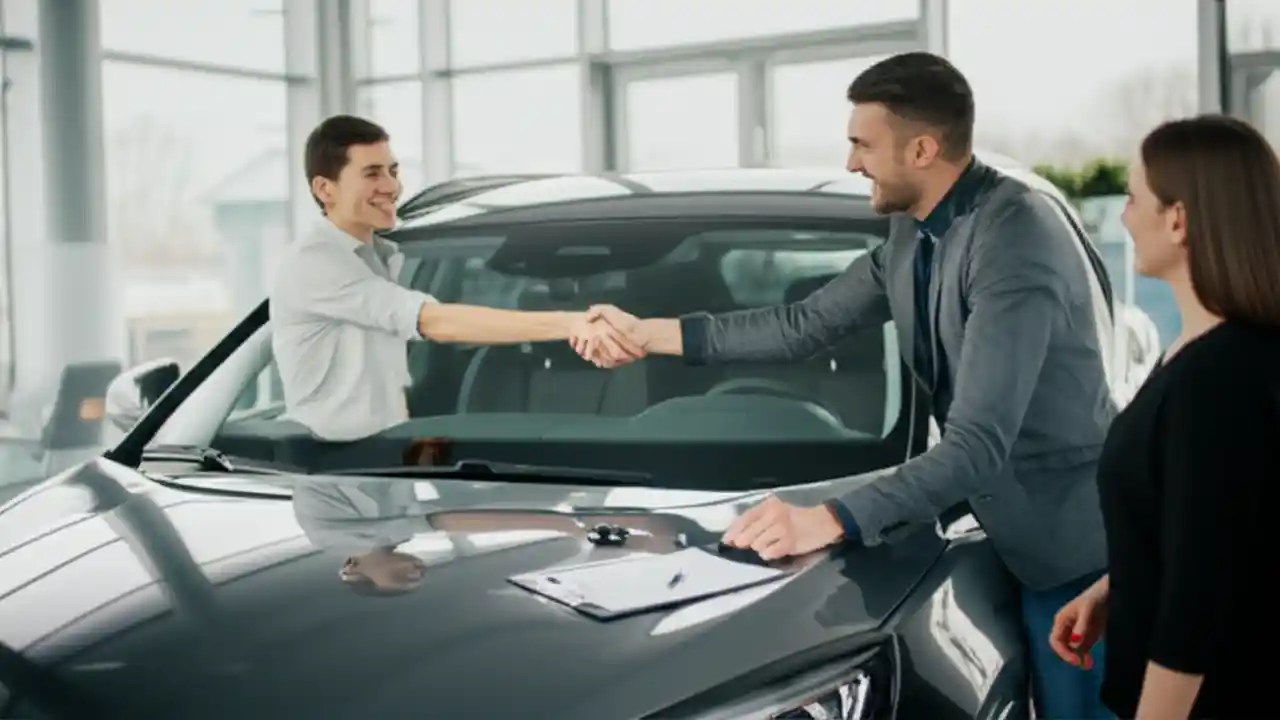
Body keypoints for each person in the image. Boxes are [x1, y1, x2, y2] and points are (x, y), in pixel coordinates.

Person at [580, 52, 1115, 718]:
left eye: (863, 144)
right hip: (1001, 538)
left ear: (921, 149)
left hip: (1070, 558)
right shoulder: (913, 232)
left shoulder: (1015, 237)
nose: (851, 162)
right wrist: (646, 335)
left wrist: (826, 518)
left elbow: (977, 446)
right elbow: (802, 325)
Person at [1049, 115, 1280, 719]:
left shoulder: (1217, 380)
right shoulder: (1207, 352)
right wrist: (1115, 590)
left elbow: (1199, 596)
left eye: (1133, 198)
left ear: (1178, 220)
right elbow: (1211, 528)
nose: (1123, 218)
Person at [270, 115, 638, 441]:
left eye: (393, 171)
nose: (392, 187)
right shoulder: (315, 262)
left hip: (391, 464)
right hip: (330, 474)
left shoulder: (387, 256)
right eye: (372, 173)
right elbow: (434, 321)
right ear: (324, 189)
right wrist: (574, 321)